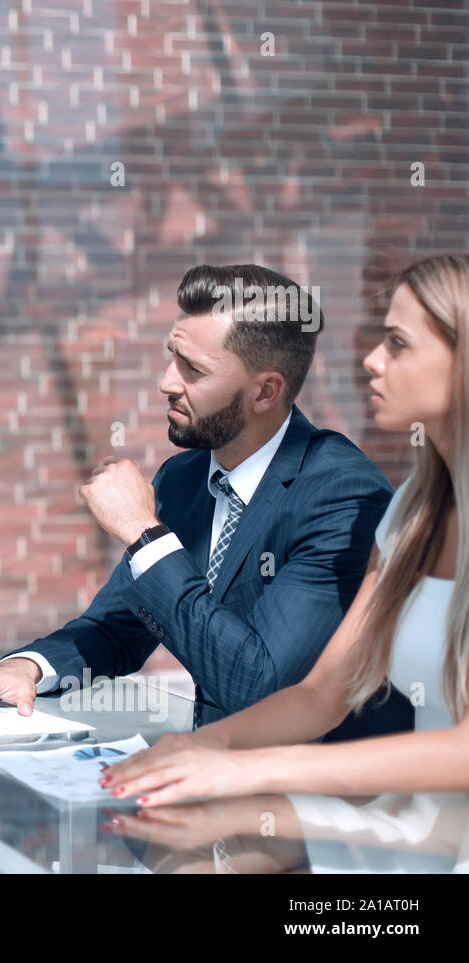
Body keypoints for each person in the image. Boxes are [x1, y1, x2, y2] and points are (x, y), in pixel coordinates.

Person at [0, 263, 410, 739]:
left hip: (327, 800)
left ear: (265, 391)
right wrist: (27, 669)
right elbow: (120, 628)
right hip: (216, 781)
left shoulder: (342, 493)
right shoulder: (185, 476)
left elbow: (262, 687)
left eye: (192, 369)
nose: (167, 382)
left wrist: (143, 533)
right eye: (172, 355)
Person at [101, 253, 469, 805]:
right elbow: (323, 693)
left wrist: (249, 771)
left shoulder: (347, 491)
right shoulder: (410, 513)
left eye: (397, 343)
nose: (370, 360)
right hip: (409, 819)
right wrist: (202, 746)